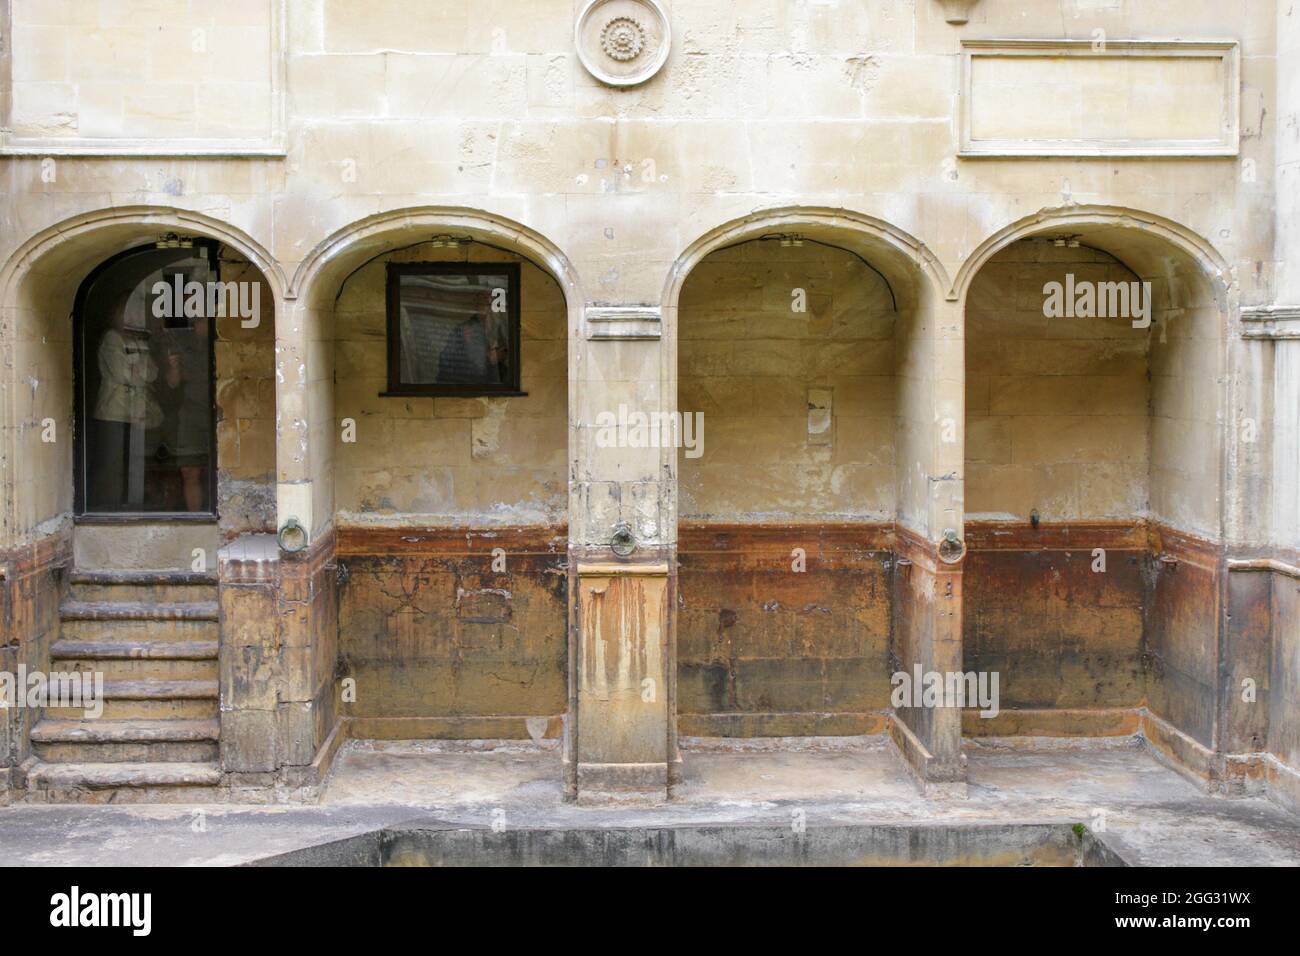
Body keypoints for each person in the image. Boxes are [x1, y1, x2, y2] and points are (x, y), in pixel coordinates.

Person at [93, 291, 162, 509]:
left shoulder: (137, 339)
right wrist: (138, 371)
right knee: (112, 462)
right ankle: (108, 505)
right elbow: (121, 373)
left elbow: (152, 373)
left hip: (136, 411)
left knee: (134, 461)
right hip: (114, 410)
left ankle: (129, 502)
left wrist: (136, 371)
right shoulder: (112, 338)